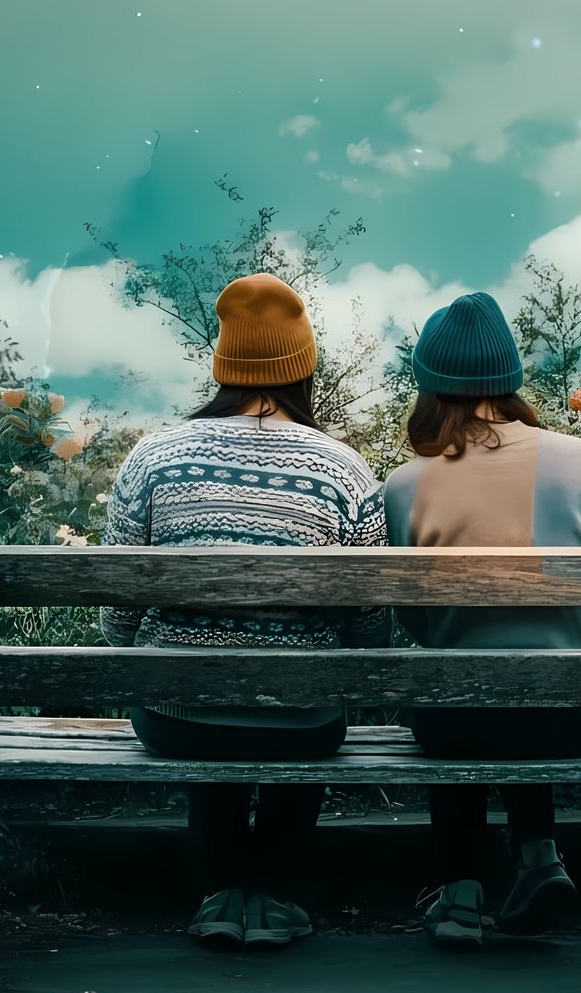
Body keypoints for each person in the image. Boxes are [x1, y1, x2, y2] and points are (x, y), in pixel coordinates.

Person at [100, 273, 387, 949]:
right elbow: (370, 623)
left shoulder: (154, 457)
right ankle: (278, 892)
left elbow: (117, 616)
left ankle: (221, 891)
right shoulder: (344, 471)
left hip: (176, 720)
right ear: (305, 364)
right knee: (296, 699)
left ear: (222, 362)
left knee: (195, 689)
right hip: (302, 722)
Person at [382, 291, 581, 947]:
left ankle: (459, 887)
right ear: (509, 380)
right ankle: (540, 856)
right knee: (541, 665)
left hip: (456, 720)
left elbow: (416, 620)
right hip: (574, 718)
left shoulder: (407, 482)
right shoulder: (580, 459)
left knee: (457, 673)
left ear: (429, 388)